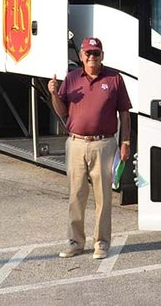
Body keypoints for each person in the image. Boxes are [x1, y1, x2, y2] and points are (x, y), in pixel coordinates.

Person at [48, 37, 132, 260]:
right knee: (76, 195)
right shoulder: (72, 78)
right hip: (76, 143)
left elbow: (124, 112)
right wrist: (54, 94)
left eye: (96, 53)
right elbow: (62, 111)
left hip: (104, 144)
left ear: (102, 55)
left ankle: (102, 243)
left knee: (103, 197)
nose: (92, 57)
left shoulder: (114, 79)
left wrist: (125, 142)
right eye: (88, 53)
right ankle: (75, 242)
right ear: (81, 56)